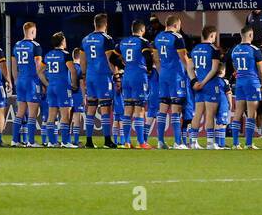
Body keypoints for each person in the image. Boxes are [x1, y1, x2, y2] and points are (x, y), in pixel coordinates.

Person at [80, 13, 118, 148]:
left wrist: (84, 76)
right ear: (105, 24)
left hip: (90, 76)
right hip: (102, 76)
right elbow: (110, 59)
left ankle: (89, 141)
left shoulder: (85, 39)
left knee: (91, 108)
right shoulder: (106, 39)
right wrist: (116, 74)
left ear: (94, 24)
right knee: (105, 108)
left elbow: (82, 60)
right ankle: (107, 140)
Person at [153, 15, 190, 149]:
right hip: (176, 75)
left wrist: (161, 72)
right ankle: (177, 142)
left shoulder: (158, 37)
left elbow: (156, 59)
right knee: (176, 107)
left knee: (163, 107)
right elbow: (183, 57)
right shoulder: (177, 37)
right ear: (176, 25)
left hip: (163, 74)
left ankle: (160, 141)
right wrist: (191, 75)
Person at [228, 26, 262, 149]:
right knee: (251, 112)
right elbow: (261, 70)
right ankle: (248, 143)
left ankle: (235, 143)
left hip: (240, 82)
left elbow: (235, 66)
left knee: (238, 111)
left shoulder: (234, 50)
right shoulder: (255, 50)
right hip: (252, 82)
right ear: (250, 35)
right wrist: (261, 82)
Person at [118, 20, 153, 149]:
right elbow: (148, 57)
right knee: (139, 110)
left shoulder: (123, 42)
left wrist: (124, 64)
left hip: (126, 76)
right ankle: (141, 142)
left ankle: (126, 142)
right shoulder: (143, 42)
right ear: (142, 30)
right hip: (139, 76)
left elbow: (113, 58)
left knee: (127, 109)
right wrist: (148, 69)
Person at [189, 26, 222, 149]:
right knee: (210, 114)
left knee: (197, 113)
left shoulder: (195, 49)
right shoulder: (214, 49)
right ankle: (210, 143)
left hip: (198, 85)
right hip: (210, 84)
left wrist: (194, 82)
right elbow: (214, 69)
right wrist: (203, 82)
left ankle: (193, 142)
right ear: (212, 35)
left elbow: (189, 67)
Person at [10, 21, 42, 147]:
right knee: (32, 112)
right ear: (32, 31)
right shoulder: (35, 45)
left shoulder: (16, 45)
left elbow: (13, 65)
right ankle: (31, 141)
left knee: (20, 111)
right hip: (31, 80)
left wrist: (16, 79)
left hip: (20, 80)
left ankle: (14, 140)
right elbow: (38, 65)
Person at [42, 33, 75, 147]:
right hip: (63, 87)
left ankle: (51, 141)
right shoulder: (66, 55)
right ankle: (66, 142)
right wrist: (74, 84)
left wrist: (47, 83)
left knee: (51, 115)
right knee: (65, 115)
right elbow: (73, 70)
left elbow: (39, 72)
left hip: (51, 87)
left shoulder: (48, 55)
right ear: (62, 42)